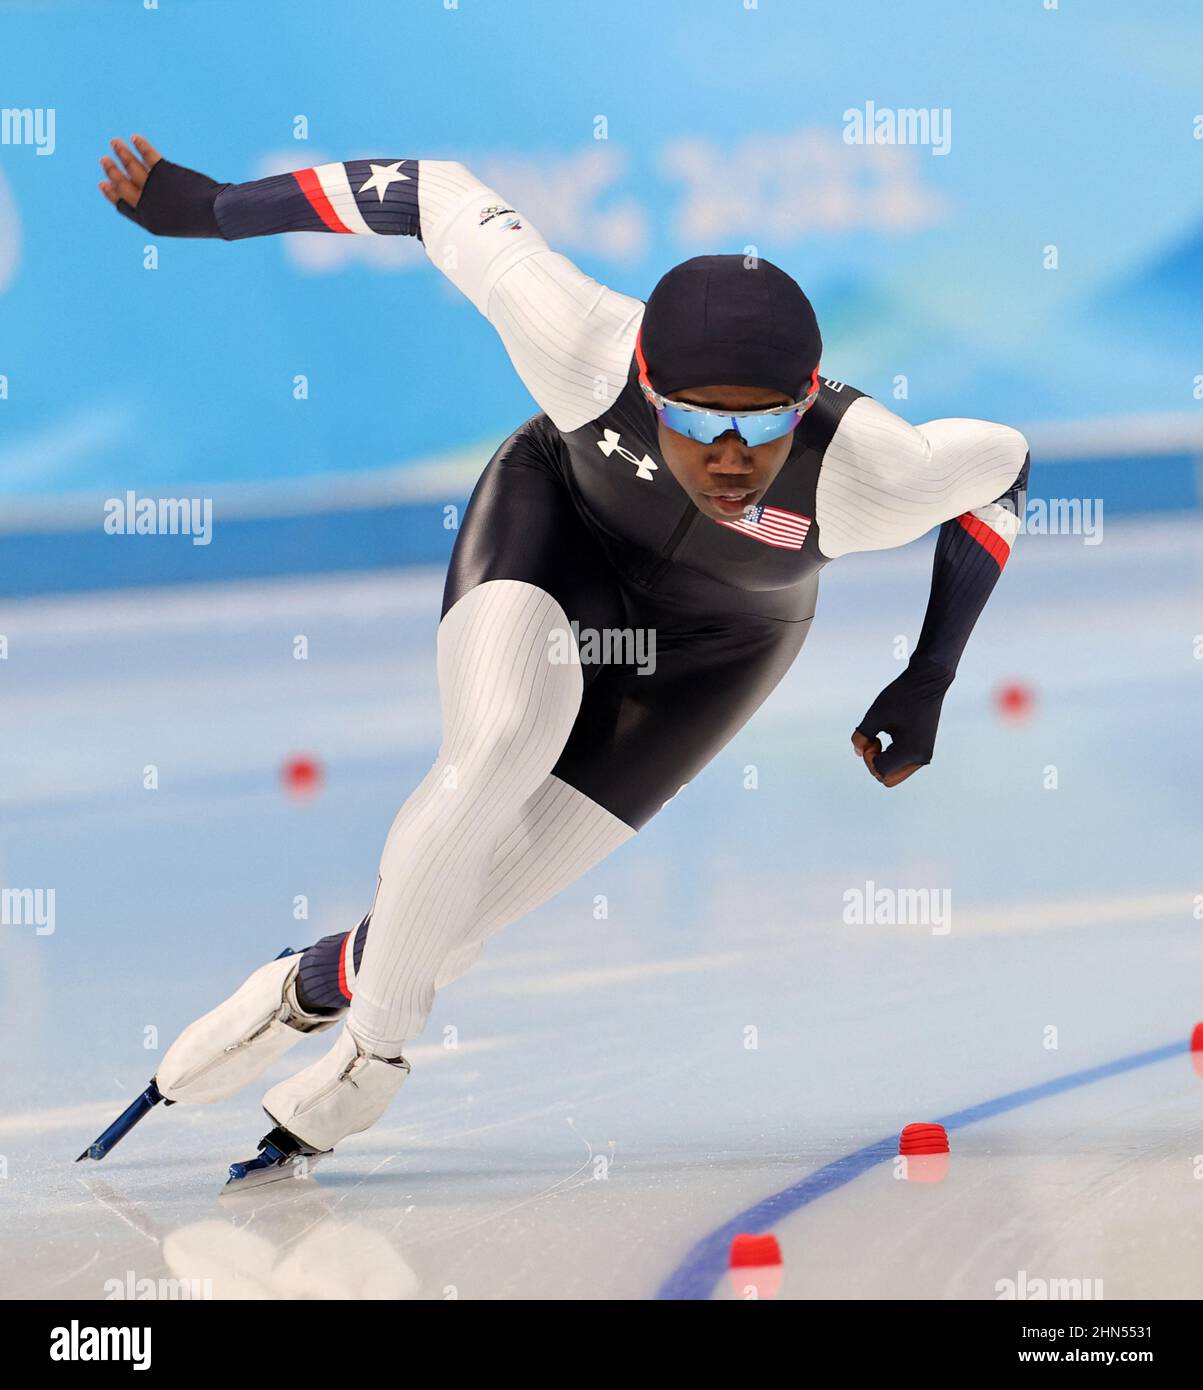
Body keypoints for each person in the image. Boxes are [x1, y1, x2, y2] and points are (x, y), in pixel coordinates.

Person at [82, 137, 1029, 1184]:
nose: (727, 456)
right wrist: (217, 206)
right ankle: (376, 1057)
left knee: (457, 912)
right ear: (642, 380)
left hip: (722, 643)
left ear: (807, 398)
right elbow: (430, 194)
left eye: (761, 424)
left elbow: (1005, 470)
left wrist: (931, 671)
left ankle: (313, 982)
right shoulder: (577, 337)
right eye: (691, 417)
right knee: (497, 746)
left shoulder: (876, 471)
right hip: (557, 536)